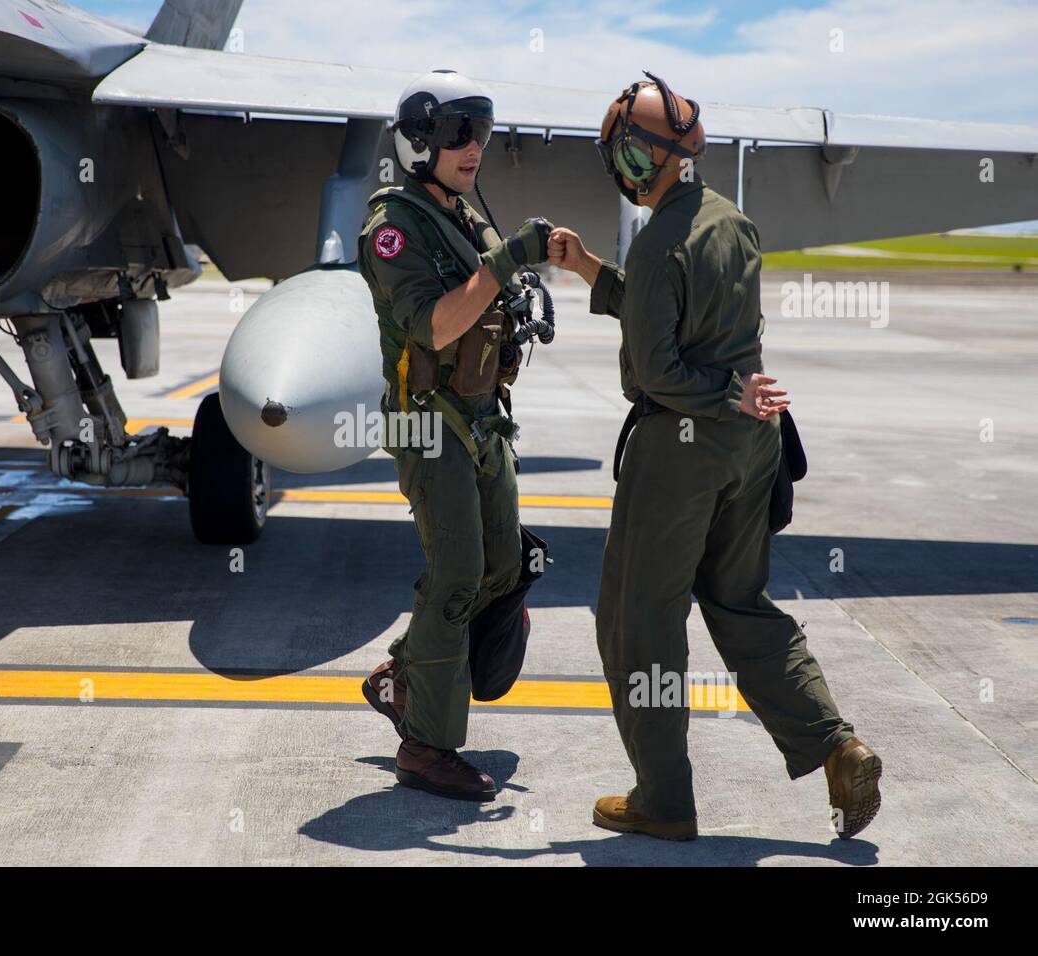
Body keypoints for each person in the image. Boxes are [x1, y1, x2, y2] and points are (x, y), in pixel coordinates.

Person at [548, 72, 882, 840]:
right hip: (751, 448)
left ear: (657, 158)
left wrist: (717, 392)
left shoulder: (662, 234)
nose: (624, 170)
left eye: (629, 155)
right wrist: (591, 268)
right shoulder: (731, 221)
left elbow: (662, 369)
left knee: (641, 620)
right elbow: (687, 315)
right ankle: (836, 745)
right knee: (738, 602)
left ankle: (663, 799)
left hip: (681, 449)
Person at [355, 69, 552, 801]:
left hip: (483, 417)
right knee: (457, 579)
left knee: (505, 565)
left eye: (483, 133)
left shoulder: (465, 218)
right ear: (419, 143)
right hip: (431, 424)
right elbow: (434, 325)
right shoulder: (393, 228)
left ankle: (406, 674)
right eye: (458, 134)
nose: (475, 148)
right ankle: (428, 747)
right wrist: (506, 261)